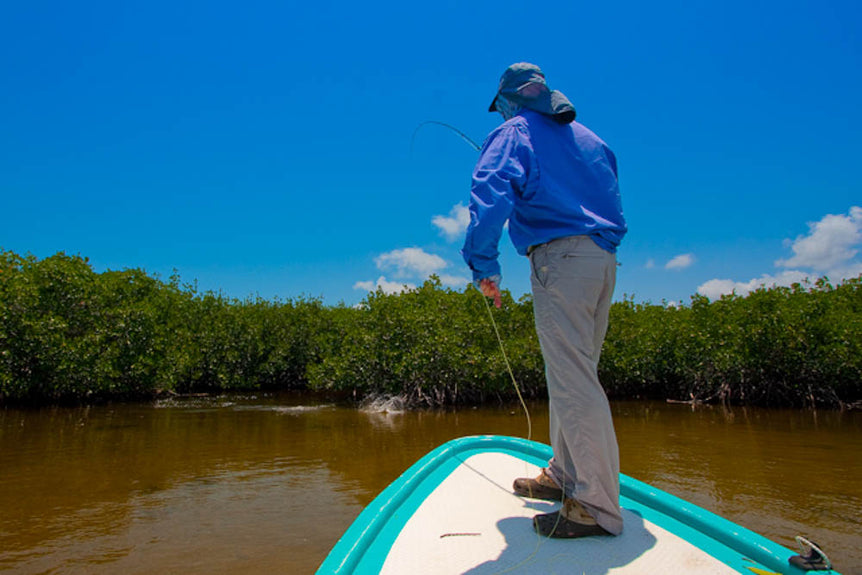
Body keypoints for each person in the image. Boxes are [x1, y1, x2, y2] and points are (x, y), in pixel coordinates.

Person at [461, 62, 627, 538]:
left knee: (573, 380)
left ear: (511, 99)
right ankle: (564, 476)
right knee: (575, 374)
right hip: (602, 260)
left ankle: (595, 506)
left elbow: (490, 192)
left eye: (502, 107)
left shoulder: (514, 131)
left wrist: (484, 265)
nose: (503, 116)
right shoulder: (593, 140)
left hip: (560, 258)